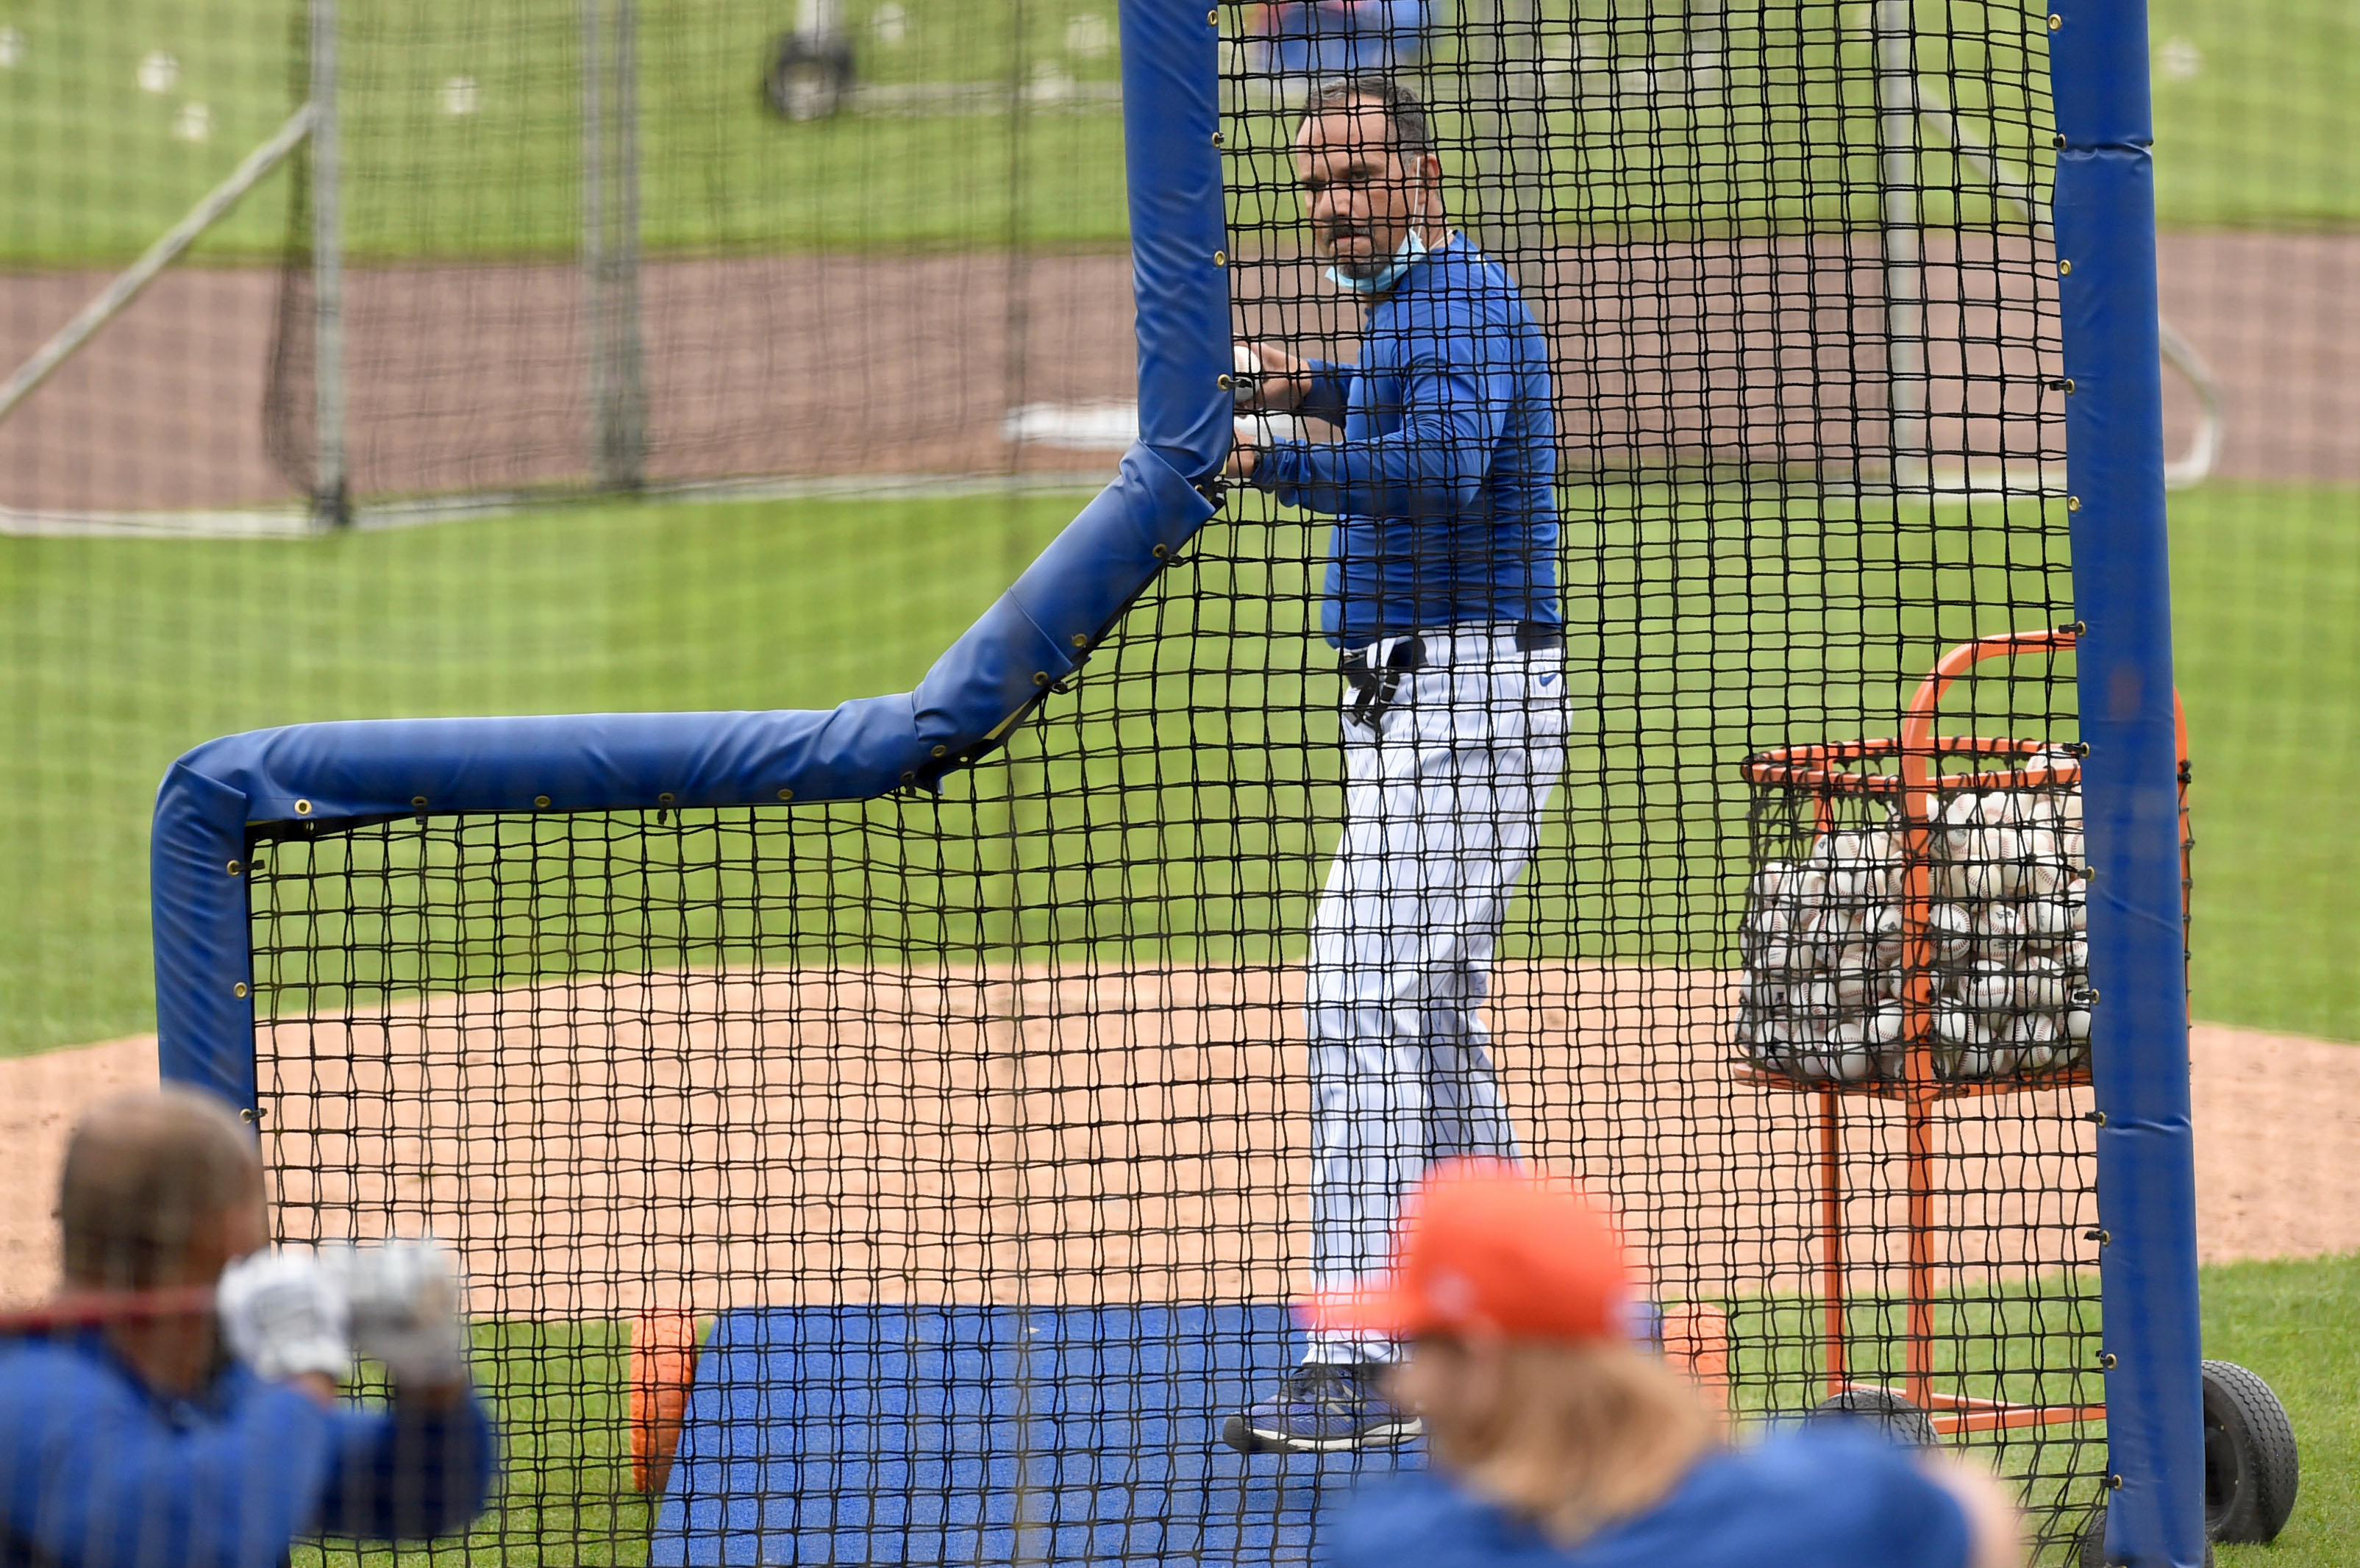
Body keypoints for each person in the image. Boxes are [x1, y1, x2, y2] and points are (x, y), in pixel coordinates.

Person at [1222, 75, 1566, 1455]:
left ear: (1420, 175)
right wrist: (1306, 387)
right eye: (1314, 184)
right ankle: (1517, 1308)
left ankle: (1361, 1353)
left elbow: (1437, 455)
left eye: (1356, 177)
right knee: (1420, 1012)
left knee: (1355, 991)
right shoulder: (1415, 312)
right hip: (1426, 708)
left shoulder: (1461, 299)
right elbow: (1402, 394)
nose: (1331, 205)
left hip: (1464, 703)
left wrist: (1269, 458)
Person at [1305, 1161, 2026, 1568]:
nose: (1403, 1380)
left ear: (1483, 1358)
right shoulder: (1835, 1494)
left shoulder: (1402, 1543)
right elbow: (1981, 1509)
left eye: (1419, 1347)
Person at [0, 1086, 496, 1567]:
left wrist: (433, 1378)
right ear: (218, 1230)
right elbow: (200, 1541)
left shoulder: (210, 1391)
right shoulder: (33, 1398)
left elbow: (429, 1494)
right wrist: (304, 1372)